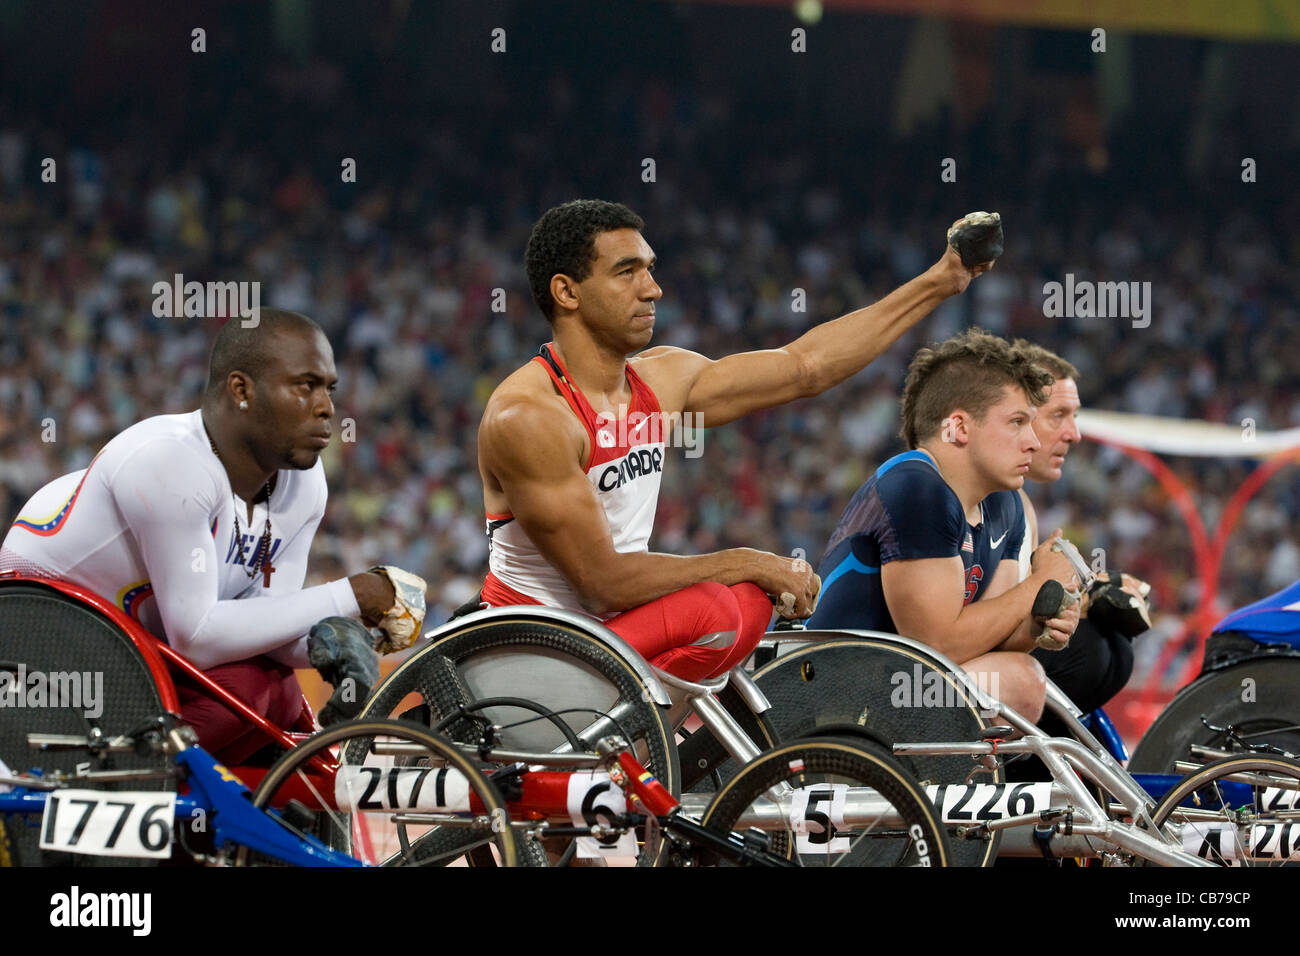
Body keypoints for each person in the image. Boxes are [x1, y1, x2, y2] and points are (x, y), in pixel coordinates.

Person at [476, 199, 997, 682]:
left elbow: (804, 368)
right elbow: (602, 582)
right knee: (719, 606)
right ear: (566, 292)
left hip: (609, 631)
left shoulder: (661, 381)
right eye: (626, 272)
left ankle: (662, 741)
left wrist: (942, 280)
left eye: (650, 269)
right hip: (535, 648)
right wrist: (750, 560)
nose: (653, 289)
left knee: (748, 603)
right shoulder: (529, 417)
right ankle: (643, 740)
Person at [1, 310, 422, 761]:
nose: (327, 408)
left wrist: (329, 641)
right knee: (243, 693)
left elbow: (265, 624)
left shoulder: (304, 481)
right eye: (306, 386)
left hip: (131, 648)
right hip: (37, 648)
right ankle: (118, 779)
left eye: (329, 389)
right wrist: (351, 594)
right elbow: (196, 638)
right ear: (241, 390)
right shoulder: (168, 460)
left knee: (278, 695)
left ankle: (206, 822)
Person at [806, 329, 1082, 720]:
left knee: (1026, 677)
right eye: (1018, 422)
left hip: (893, 685)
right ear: (960, 427)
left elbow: (994, 638)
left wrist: (1041, 623)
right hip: (829, 694)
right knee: (1019, 683)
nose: (1033, 442)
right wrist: (1038, 583)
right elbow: (937, 644)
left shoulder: (1006, 505)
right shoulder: (916, 485)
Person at [1009, 341, 1148, 715]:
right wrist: (1050, 589)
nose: (1074, 433)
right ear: (1018, 416)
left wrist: (1081, 597)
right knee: (1092, 648)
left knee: (1113, 643)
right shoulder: (988, 497)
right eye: (1059, 415)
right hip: (933, 677)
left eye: (1075, 416)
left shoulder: (1019, 503)